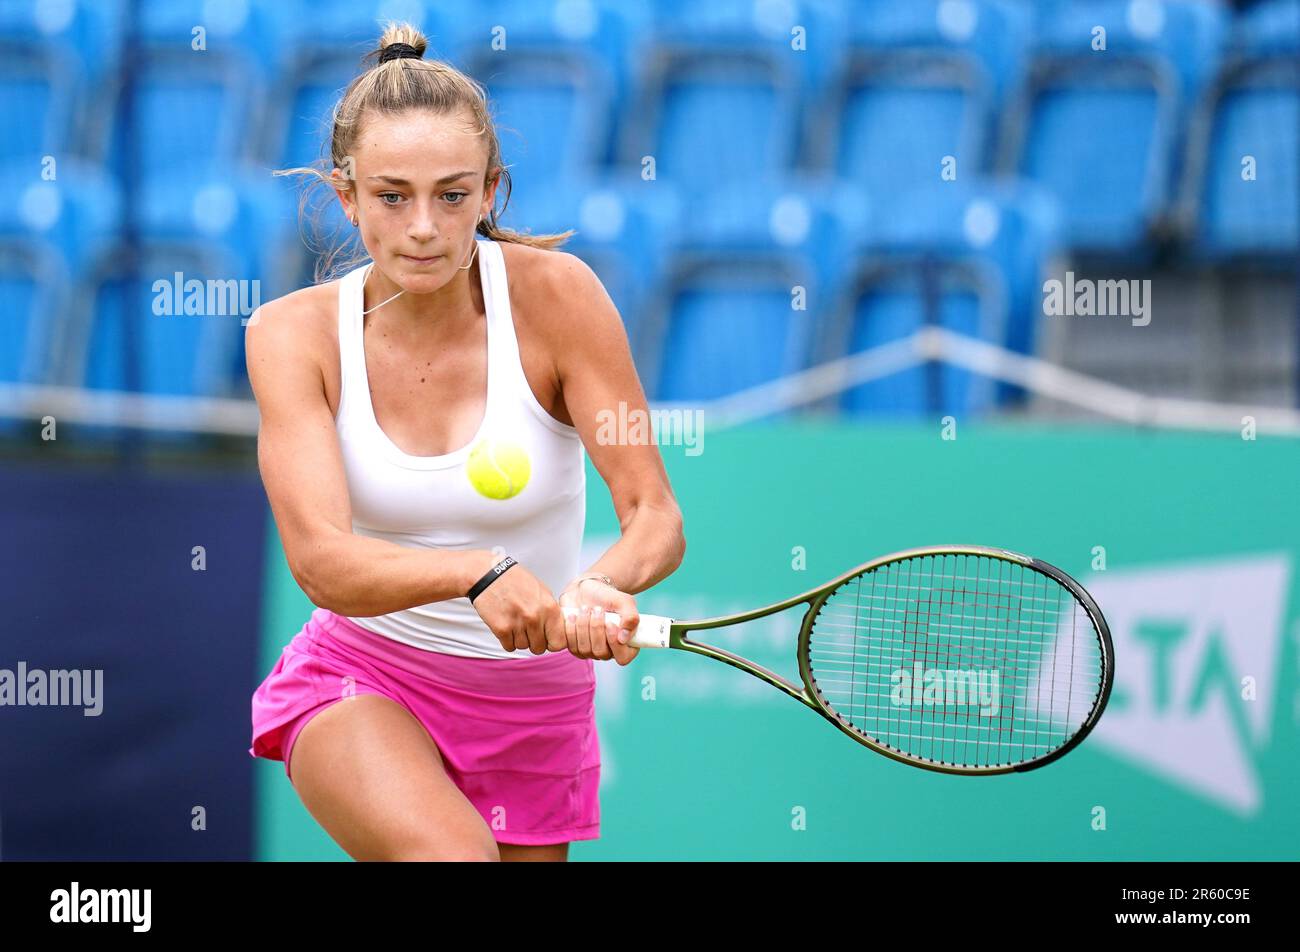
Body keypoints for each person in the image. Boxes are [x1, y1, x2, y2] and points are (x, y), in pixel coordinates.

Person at [246, 22, 685, 862]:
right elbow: (320, 562)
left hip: (534, 706)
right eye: (391, 196)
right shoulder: (290, 335)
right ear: (347, 198)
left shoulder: (560, 298)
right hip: (364, 675)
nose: (421, 227)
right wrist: (475, 569)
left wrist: (599, 585)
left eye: (451, 196)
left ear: (490, 190)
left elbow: (654, 515)